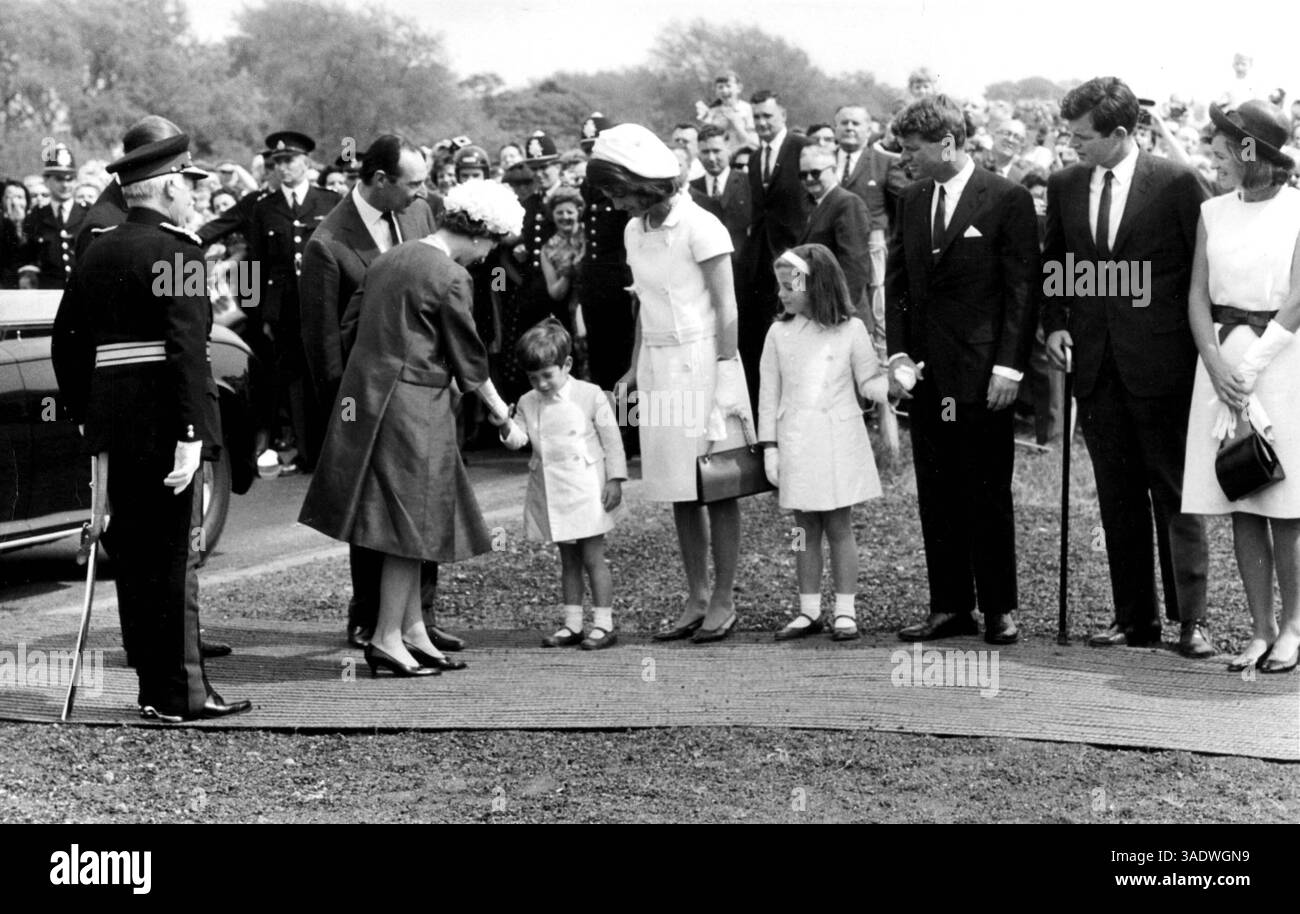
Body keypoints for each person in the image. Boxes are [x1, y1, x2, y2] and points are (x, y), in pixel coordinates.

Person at [51, 134, 249, 721]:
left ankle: (152, 688)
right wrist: (192, 432)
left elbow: (68, 342)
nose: (193, 194)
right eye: (189, 183)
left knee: (135, 558)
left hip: (116, 422)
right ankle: (183, 694)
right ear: (167, 186)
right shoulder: (179, 253)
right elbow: (188, 348)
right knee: (172, 561)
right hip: (166, 423)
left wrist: (92, 412)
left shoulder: (98, 250)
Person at [299, 180, 524, 677]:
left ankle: (412, 630)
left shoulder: (391, 257)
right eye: (492, 243)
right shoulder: (450, 277)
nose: (489, 255)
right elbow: (470, 359)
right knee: (410, 527)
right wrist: (505, 415)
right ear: (480, 231)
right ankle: (386, 638)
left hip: (372, 396)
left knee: (394, 521)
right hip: (415, 407)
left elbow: (350, 326)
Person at [1042, 77, 1213, 657]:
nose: (1073, 147)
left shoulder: (1176, 182)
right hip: (1094, 367)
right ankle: (1134, 618)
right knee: (1117, 497)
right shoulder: (1065, 184)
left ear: (1120, 133)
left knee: (1174, 493)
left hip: (1163, 365)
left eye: (1083, 137)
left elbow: (1202, 272)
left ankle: (1191, 621)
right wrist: (1057, 323)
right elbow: (1056, 266)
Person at [587, 123, 752, 644]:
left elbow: (727, 306)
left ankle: (724, 599)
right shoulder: (634, 230)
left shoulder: (702, 226)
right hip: (659, 365)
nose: (613, 203)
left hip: (706, 361)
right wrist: (636, 367)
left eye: (617, 191)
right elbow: (644, 305)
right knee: (681, 489)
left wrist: (726, 372)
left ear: (643, 183)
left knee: (717, 484)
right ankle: (696, 596)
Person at [887, 95, 1039, 646]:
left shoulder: (1007, 198)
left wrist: (1009, 368)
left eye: (912, 149)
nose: (905, 159)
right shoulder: (911, 198)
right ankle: (950, 605)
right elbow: (898, 283)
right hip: (928, 375)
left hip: (983, 376)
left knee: (986, 489)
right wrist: (898, 355)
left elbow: (1023, 292)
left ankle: (999, 606)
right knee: (936, 491)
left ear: (947, 143)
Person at [299, 134, 453, 652]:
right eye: (413, 183)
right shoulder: (328, 243)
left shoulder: (418, 215)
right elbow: (322, 344)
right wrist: (344, 418)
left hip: (418, 391)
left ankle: (419, 621)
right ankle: (369, 619)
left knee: (422, 501)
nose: (422, 192)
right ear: (380, 180)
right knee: (372, 513)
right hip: (364, 400)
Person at [1182, 101, 1300, 674]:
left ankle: (1293, 629)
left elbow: (1298, 298)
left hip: (1281, 363)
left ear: (1250, 151)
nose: (1214, 156)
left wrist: (1251, 367)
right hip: (1223, 366)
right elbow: (1197, 297)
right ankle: (1259, 630)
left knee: (1287, 504)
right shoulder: (1212, 211)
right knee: (1242, 497)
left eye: (1222, 146)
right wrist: (1215, 361)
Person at [760, 245, 890, 641]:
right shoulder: (779, 332)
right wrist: (770, 447)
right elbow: (769, 392)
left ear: (817, 286)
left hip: (837, 438)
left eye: (789, 286)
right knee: (803, 527)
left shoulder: (850, 330)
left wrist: (894, 385)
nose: (781, 294)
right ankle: (808, 608)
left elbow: (868, 382)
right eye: (780, 286)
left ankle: (845, 610)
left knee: (838, 524)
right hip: (796, 440)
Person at [498, 320, 627, 649]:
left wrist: (615, 479)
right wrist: (503, 424)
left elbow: (612, 441)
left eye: (547, 375)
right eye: (533, 377)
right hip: (554, 491)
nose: (540, 384)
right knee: (568, 559)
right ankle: (572, 624)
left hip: (587, 488)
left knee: (593, 557)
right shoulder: (528, 401)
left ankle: (604, 623)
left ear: (566, 365)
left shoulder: (590, 395)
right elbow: (519, 439)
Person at [249, 130, 340, 474]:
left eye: (289, 161)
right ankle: (309, 453)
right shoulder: (264, 208)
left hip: (324, 304)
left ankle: (336, 448)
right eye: (277, 163)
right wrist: (257, 313)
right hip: (284, 309)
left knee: (330, 373)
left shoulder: (328, 201)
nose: (283, 168)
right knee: (295, 382)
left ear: (306, 162)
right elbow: (254, 263)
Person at [740, 90, 812, 409]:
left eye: (767, 115)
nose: (761, 122)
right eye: (756, 117)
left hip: (796, 259)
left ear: (783, 115)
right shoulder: (755, 159)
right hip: (764, 262)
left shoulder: (801, 148)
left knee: (796, 322)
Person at [795, 144, 871, 318]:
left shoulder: (847, 204)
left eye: (815, 173)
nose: (808, 179)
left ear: (834, 170)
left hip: (840, 312)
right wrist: (798, 301)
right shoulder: (810, 205)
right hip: (814, 309)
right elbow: (799, 258)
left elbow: (855, 267)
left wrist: (840, 310)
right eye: (803, 174)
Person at [21, 143, 88, 289]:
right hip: (47, 295)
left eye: (69, 179)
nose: (65, 185)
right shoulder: (35, 217)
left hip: (81, 292)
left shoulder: (87, 214)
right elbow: (27, 258)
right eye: (59, 179)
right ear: (46, 180)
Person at [689, 124, 751, 262]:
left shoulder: (749, 184)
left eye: (716, 151)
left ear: (729, 150)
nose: (711, 158)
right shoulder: (691, 189)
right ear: (698, 154)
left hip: (744, 268)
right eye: (705, 152)